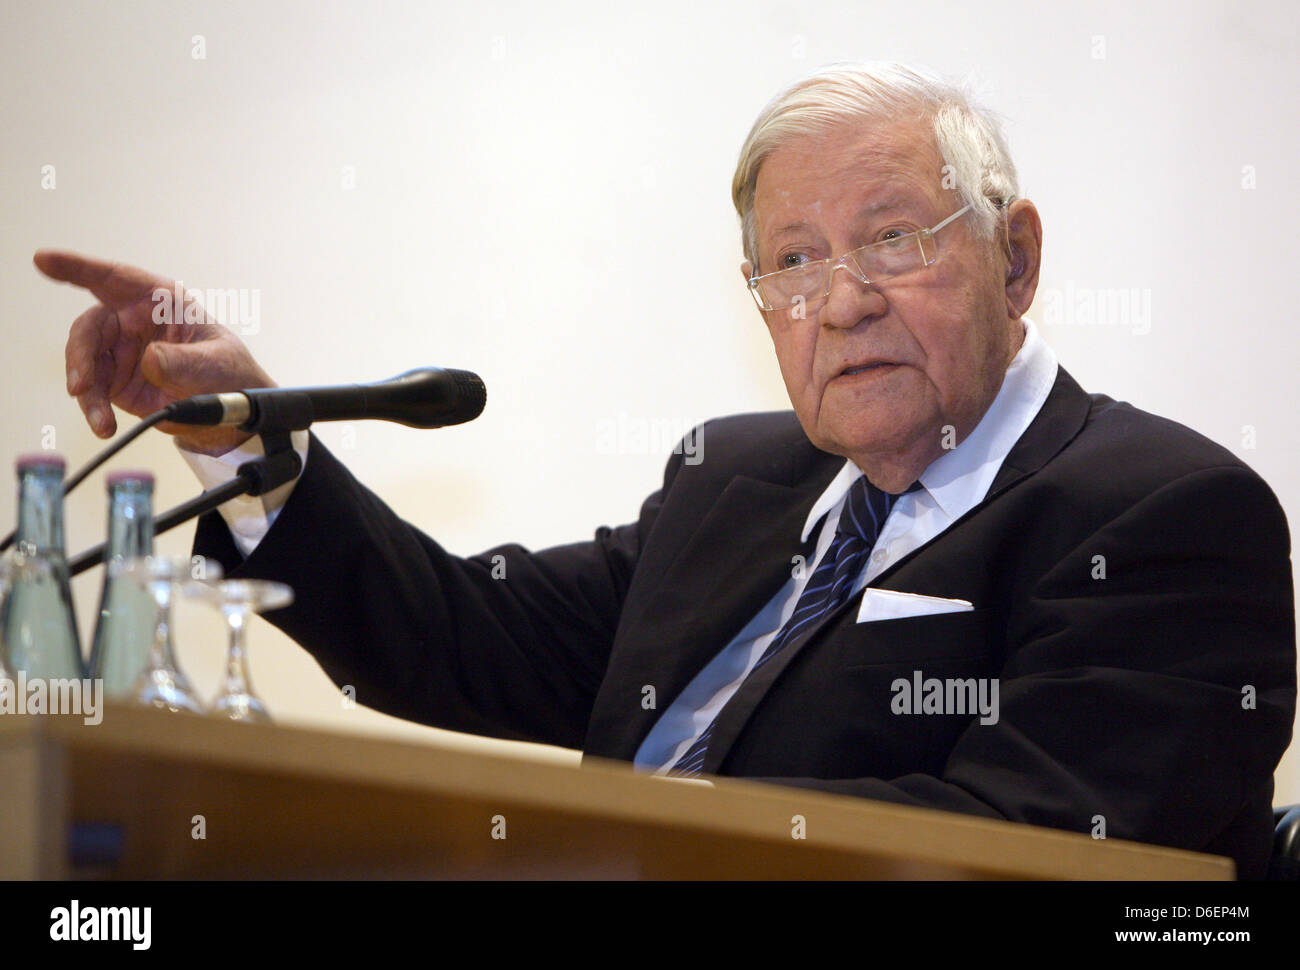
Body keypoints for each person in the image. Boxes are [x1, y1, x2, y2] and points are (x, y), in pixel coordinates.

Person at [38, 63, 1295, 878]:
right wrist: (252, 438)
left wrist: (603, 860)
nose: (840, 301)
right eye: (790, 263)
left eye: (893, 239)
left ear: (1013, 260)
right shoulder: (736, 479)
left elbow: (1033, 849)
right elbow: (463, 637)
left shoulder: (1163, 512)